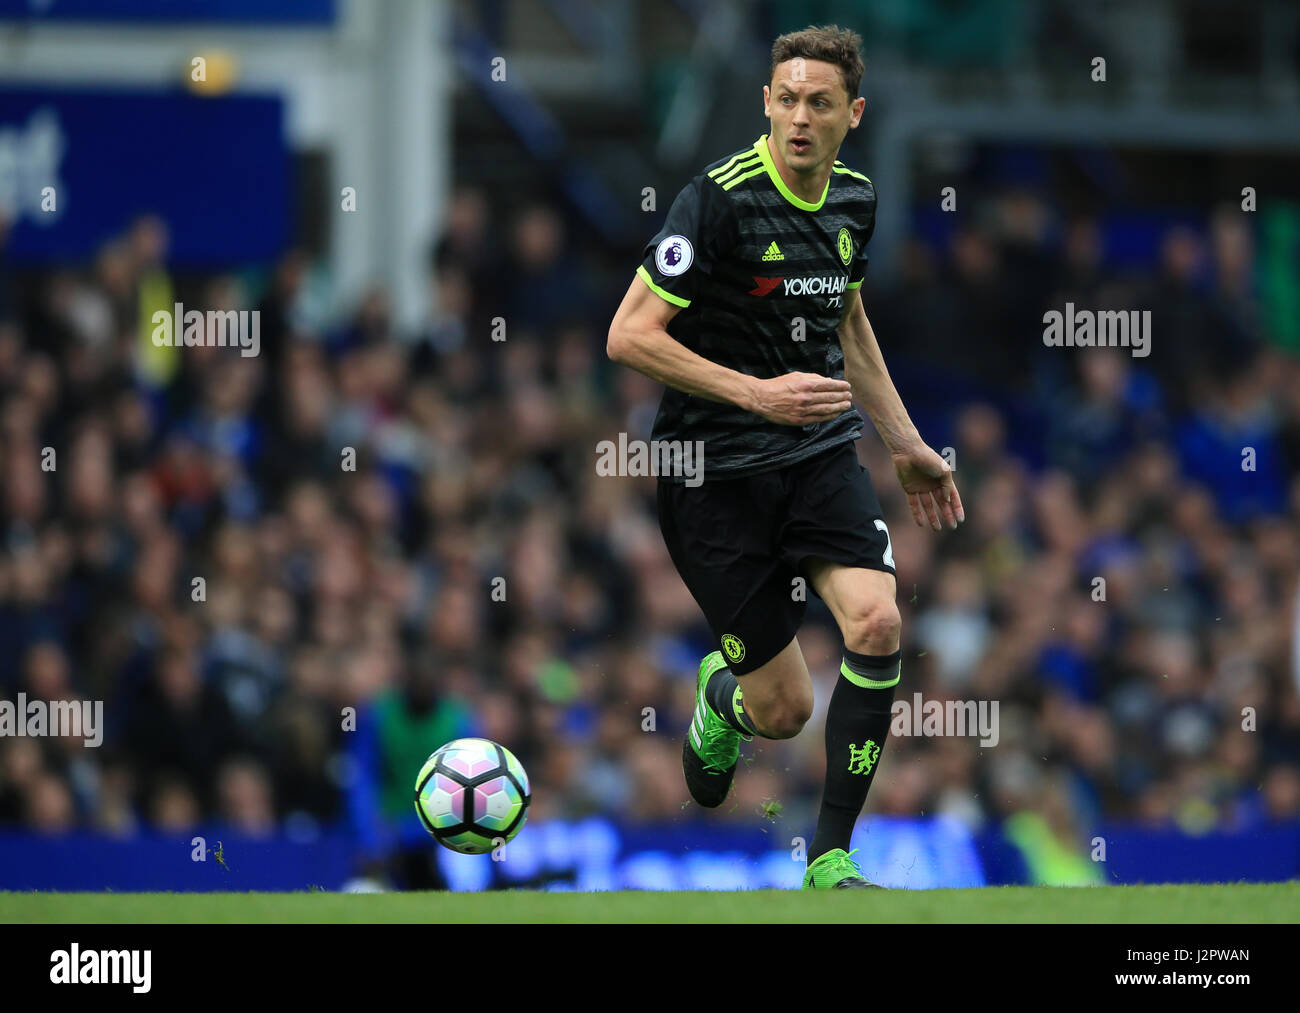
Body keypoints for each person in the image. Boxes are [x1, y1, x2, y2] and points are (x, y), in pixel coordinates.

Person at [606, 25, 964, 888]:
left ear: (853, 114)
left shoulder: (855, 200)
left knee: (878, 622)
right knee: (784, 709)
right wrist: (755, 392)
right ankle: (721, 698)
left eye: (820, 103)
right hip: (712, 471)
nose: (799, 117)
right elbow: (627, 336)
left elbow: (850, 323)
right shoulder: (717, 201)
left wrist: (907, 442)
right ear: (766, 101)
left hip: (815, 449)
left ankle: (832, 857)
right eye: (787, 99)